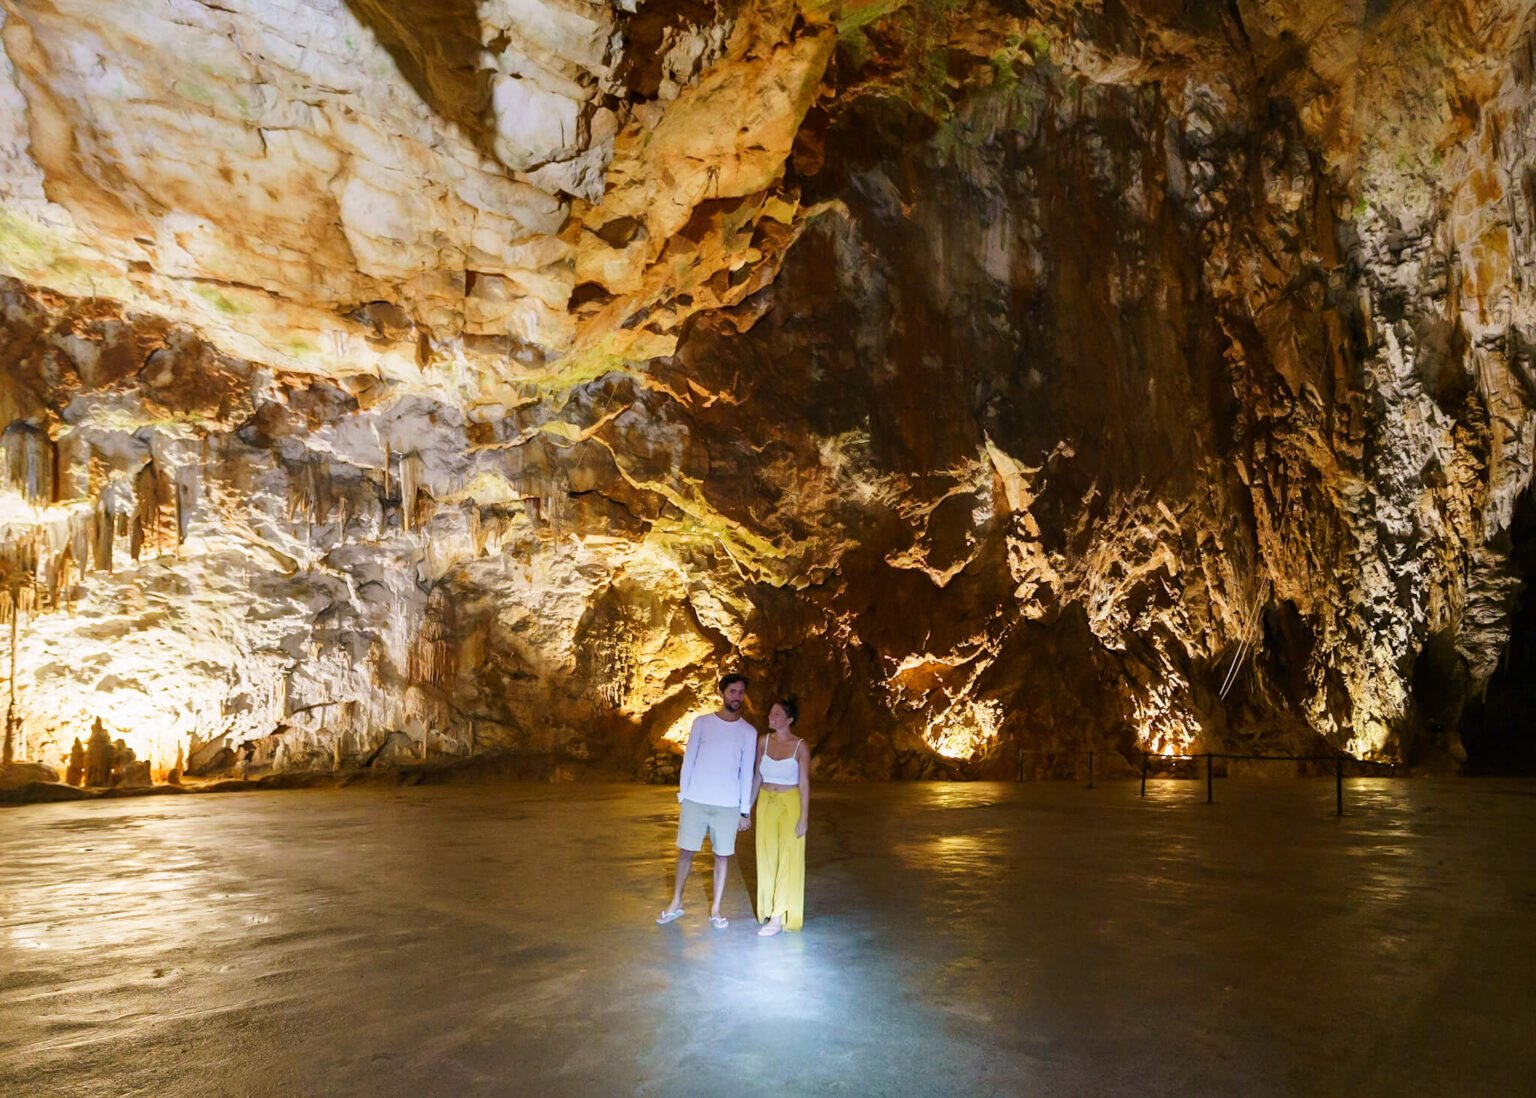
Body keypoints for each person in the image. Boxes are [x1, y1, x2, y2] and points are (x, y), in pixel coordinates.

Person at [657, 674, 757, 929]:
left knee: (722, 857)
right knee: (686, 852)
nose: (736, 696)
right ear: (722, 693)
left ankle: (716, 909)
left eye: (740, 692)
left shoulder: (748, 732)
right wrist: (684, 794)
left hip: (727, 805)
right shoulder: (702, 723)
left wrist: (744, 811)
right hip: (696, 800)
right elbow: (689, 759)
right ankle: (676, 903)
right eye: (732, 691)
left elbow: (746, 773)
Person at [751, 695, 809, 936]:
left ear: (789, 719)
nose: (770, 717)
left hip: (790, 803)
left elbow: (804, 782)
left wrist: (804, 817)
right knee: (766, 856)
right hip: (766, 802)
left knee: (788, 857)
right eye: (770, 713)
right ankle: (769, 908)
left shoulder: (800, 746)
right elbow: (757, 777)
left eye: (776, 714)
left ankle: (777, 917)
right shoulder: (763, 742)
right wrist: (746, 810)